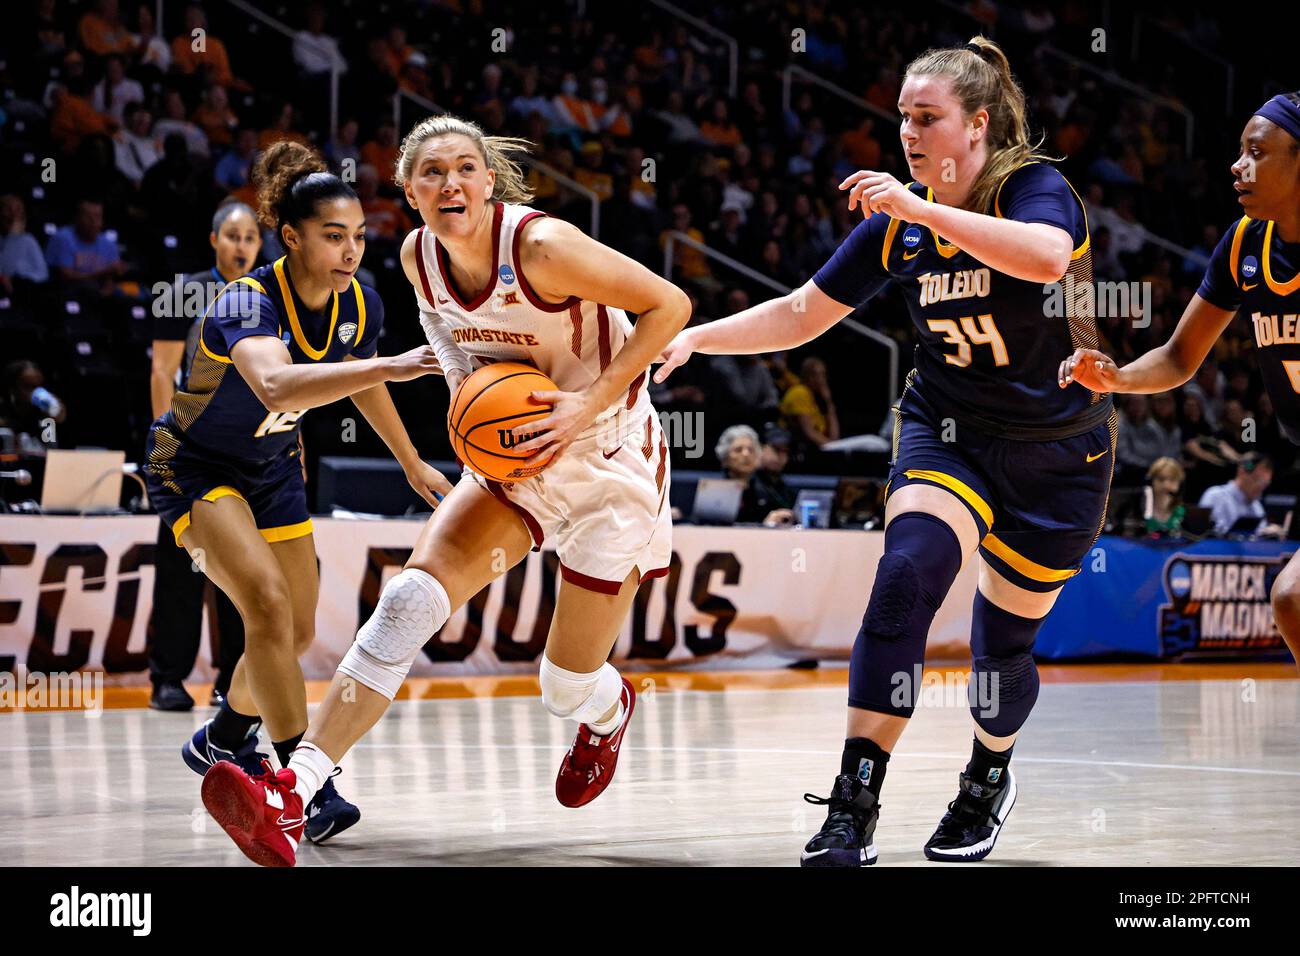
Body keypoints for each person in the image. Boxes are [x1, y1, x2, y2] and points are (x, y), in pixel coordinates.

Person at [658, 36, 1115, 865]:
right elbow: (802, 313)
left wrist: (923, 210)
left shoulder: (1035, 189)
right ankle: (853, 806)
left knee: (999, 649)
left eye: (927, 117)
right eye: (902, 116)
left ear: (977, 126)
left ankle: (986, 778)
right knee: (904, 580)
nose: (907, 132)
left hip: (1060, 452)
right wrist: (696, 339)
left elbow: (1048, 259)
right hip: (948, 432)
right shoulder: (895, 226)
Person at [198, 114, 690, 867]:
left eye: (465, 167)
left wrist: (587, 405)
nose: (450, 182)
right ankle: (291, 794)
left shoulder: (543, 247)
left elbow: (671, 306)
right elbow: (451, 347)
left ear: (489, 181)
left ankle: (606, 707)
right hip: (514, 462)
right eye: (431, 172)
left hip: (607, 460)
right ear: (408, 189)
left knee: (563, 683)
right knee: (405, 604)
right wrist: (470, 432)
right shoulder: (417, 256)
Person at [142, 141, 447, 847]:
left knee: (296, 632)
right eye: (333, 237)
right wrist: (396, 363)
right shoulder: (245, 301)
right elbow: (277, 385)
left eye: (359, 237)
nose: (350, 250)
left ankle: (223, 735)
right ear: (292, 238)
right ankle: (305, 783)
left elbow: (362, 380)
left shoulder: (358, 303)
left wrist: (408, 461)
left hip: (274, 467)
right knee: (268, 610)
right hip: (196, 465)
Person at [1061, 91, 1300, 671]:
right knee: (1292, 601)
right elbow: (1177, 357)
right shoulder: (1245, 243)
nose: (1237, 165)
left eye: (1256, 152)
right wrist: (1116, 377)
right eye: (1240, 151)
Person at [146, 203, 261, 711]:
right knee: (180, 567)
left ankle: (228, 681)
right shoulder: (182, 291)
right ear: (214, 239)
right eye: (232, 235)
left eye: (250, 237)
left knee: (242, 568)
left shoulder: (264, 293)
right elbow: (160, 373)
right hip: (184, 447)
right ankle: (167, 678)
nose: (241, 245)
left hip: (242, 448)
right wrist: (164, 448)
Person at [715, 424, 793, 526]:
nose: (746, 454)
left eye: (751, 450)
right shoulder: (715, 491)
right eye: (738, 450)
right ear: (724, 458)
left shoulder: (767, 490)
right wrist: (764, 526)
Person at [1198, 453, 1277, 537]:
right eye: (1258, 480)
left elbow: (1259, 539)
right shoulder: (1215, 496)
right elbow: (1206, 535)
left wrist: (1268, 533)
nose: (1261, 487)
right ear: (1242, 472)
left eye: (1265, 483)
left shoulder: (1256, 506)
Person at [1143, 456, 1186, 537]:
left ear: (1180, 483)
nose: (1166, 485)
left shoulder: (1183, 510)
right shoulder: (1139, 508)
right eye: (1161, 479)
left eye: (1172, 479)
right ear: (1150, 481)